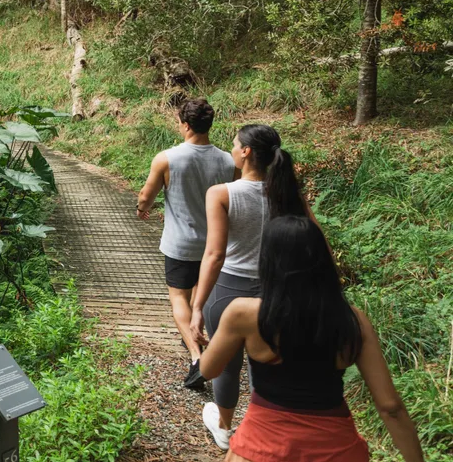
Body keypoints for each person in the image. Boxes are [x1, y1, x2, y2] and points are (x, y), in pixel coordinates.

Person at [200, 216, 424, 462]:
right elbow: (390, 407)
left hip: (262, 448)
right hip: (336, 451)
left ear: (267, 260)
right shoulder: (353, 321)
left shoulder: (245, 313)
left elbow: (209, 369)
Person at [188, 124, 310, 448]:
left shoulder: (222, 193)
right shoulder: (287, 194)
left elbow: (214, 255)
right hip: (275, 290)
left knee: (227, 365)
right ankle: (264, 430)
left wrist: (197, 306)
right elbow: (311, 239)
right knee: (267, 364)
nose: (231, 149)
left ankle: (225, 429)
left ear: (246, 152)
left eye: (234, 145)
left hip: (228, 291)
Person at [137, 97, 236, 388]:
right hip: (217, 245)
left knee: (179, 297)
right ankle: (198, 335)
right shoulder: (229, 160)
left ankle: (196, 356)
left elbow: (146, 195)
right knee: (199, 297)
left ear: (185, 125)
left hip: (180, 244)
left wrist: (142, 209)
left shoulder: (168, 158)